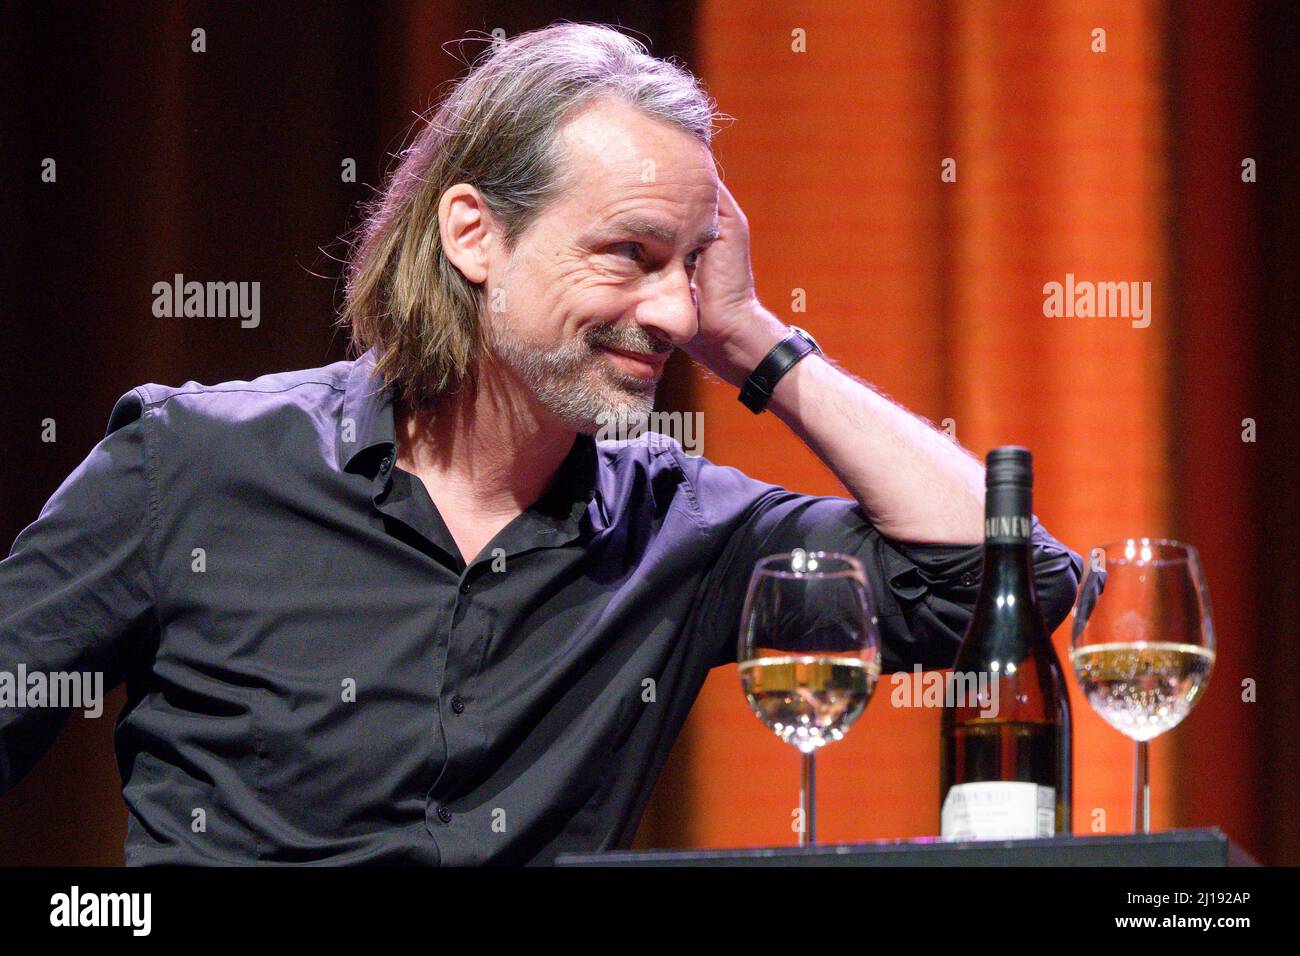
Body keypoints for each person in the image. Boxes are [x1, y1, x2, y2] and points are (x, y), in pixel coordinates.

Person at [0, 22, 1082, 865]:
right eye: (628, 254)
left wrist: (751, 335)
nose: (669, 313)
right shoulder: (191, 464)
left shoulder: (677, 529)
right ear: (475, 233)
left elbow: (1009, 579)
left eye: (690, 266)